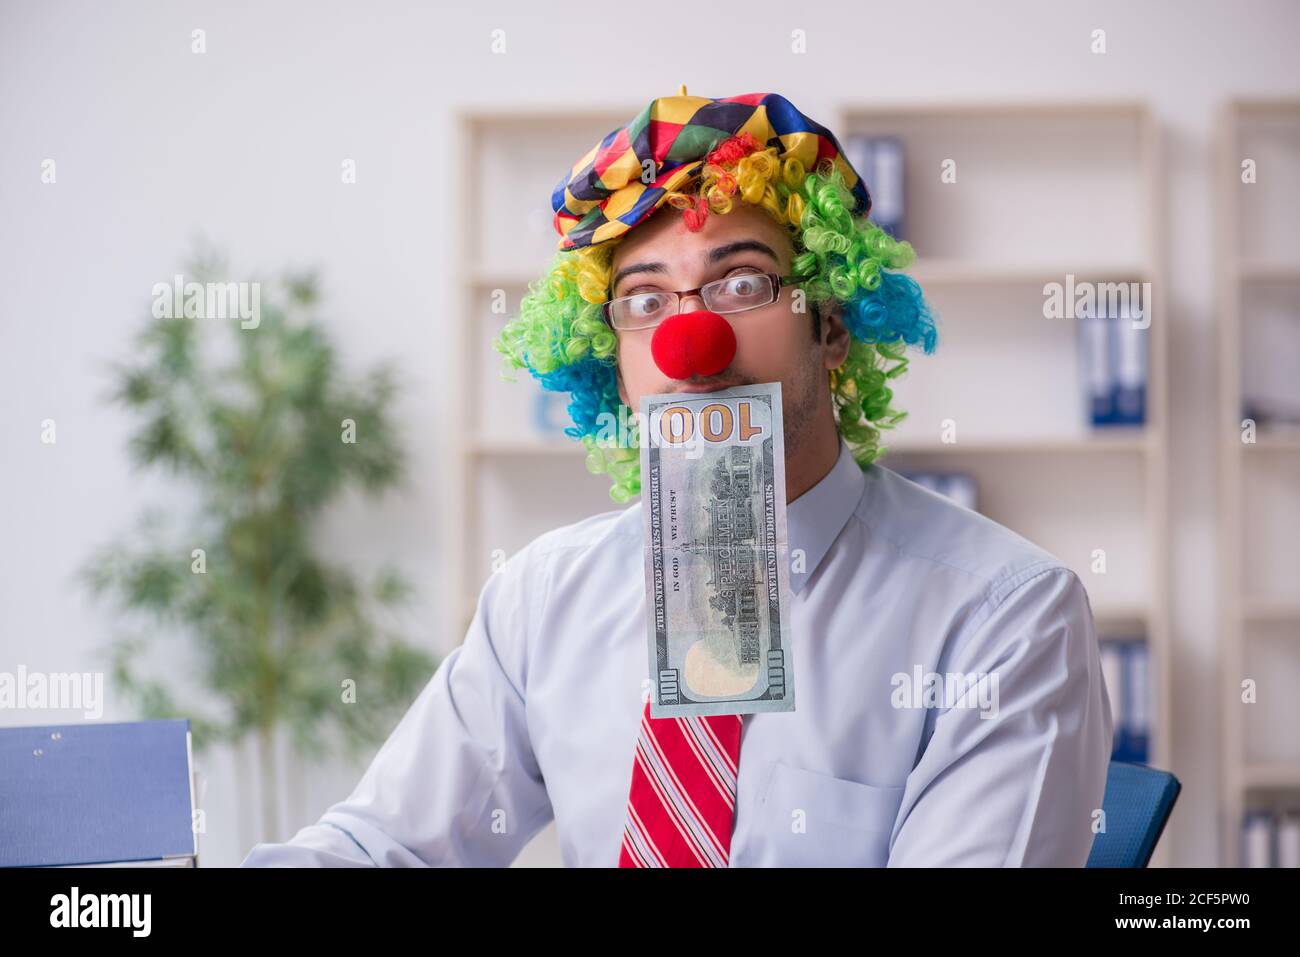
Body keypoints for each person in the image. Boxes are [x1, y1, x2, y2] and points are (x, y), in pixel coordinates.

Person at [242, 88, 1112, 868]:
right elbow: (387, 843)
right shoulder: (543, 600)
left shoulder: (1005, 616)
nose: (690, 345)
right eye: (647, 301)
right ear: (613, 362)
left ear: (833, 327)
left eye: (741, 283)